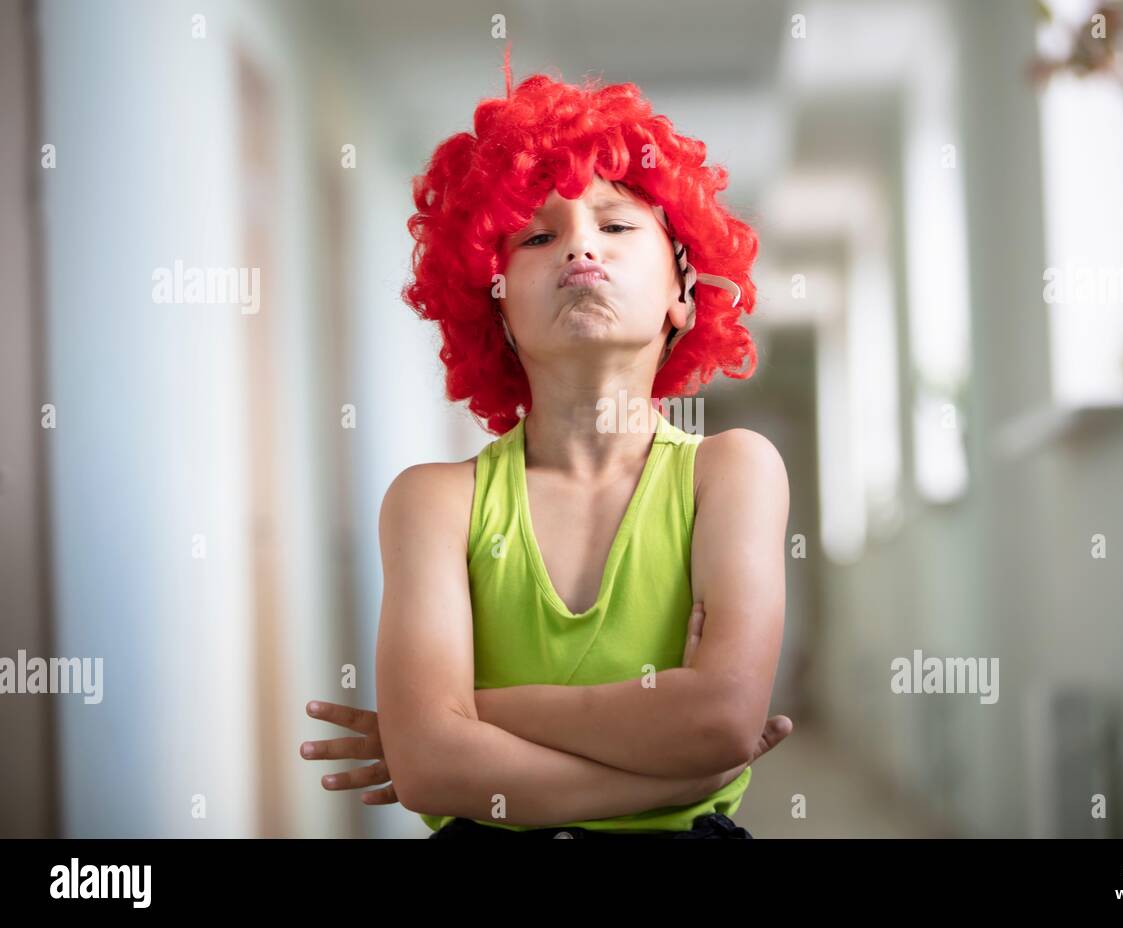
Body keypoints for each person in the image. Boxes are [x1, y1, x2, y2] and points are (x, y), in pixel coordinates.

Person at [300, 50, 792, 839]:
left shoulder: (733, 471)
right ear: (491, 305)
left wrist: (470, 715)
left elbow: (720, 723)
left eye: (618, 223)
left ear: (682, 293)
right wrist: (679, 774)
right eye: (534, 237)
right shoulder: (433, 501)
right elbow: (429, 766)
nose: (579, 247)